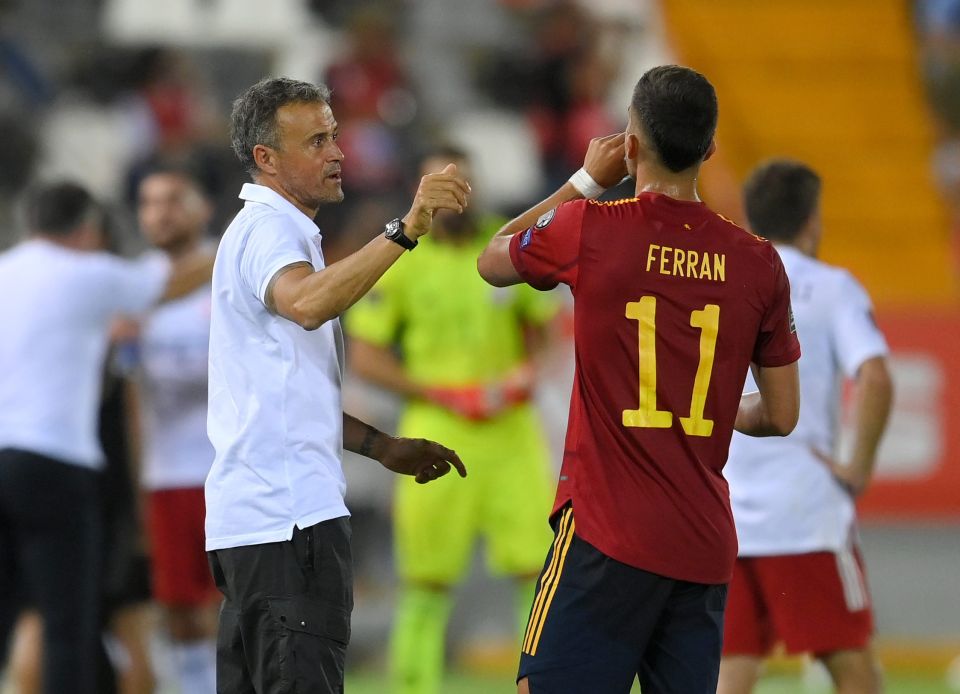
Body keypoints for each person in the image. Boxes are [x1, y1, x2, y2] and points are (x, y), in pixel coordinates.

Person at [477, 64, 803, 694]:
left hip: (605, 529)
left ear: (628, 146)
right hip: (701, 544)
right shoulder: (759, 263)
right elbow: (782, 415)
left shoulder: (591, 229)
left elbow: (494, 257)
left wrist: (582, 182)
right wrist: (701, 402)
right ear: (710, 150)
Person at [204, 77, 470, 694]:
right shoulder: (271, 230)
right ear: (266, 159)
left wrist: (380, 446)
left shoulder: (262, 230)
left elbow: (281, 395)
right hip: (291, 523)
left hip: (253, 528)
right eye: (317, 140)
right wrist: (406, 228)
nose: (337, 152)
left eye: (335, 135)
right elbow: (306, 304)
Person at [347, 145, 559, 694]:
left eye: (458, 182)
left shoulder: (506, 245)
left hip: (510, 433)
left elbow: (542, 330)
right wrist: (440, 391)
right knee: (426, 580)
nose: (450, 193)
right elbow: (367, 355)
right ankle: (415, 686)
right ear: (418, 192)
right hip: (436, 431)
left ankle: (540, 684)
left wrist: (523, 374)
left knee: (535, 574)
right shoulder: (399, 257)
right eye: (436, 183)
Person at [0, 181, 212, 694]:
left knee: (9, 613)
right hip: (57, 462)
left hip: (2, 455)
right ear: (86, 228)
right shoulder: (87, 274)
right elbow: (168, 284)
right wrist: (234, 249)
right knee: (69, 621)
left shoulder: (6, 271)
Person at [718, 160, 893, 694]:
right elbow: (876, 375)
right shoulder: (832, 287)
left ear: (751, 216)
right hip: (805, 516)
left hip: (727, 515)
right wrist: (857, 467)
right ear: (813, 220)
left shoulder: (724, 279)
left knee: (729, 669)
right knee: (852, 663)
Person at [134, 163, 220, 692]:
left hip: (221, 466)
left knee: (229, 600)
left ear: (201, 209)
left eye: (172, 199)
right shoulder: (130, 282)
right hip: (161, 470)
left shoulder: (229, 267)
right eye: (148, 203)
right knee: (175, 607)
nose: (160, 213)